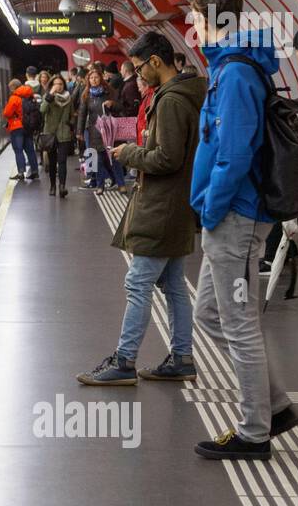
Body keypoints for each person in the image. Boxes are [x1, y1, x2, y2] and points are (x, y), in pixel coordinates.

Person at [187, 0, 298, 460]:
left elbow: (234, 153)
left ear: (212, 19)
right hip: (229, 215)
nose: (190, 25)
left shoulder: (234, 74)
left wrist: (211, 207)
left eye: (193, 16)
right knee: (210, 314)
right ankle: (273, 406)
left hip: (235, 215)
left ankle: (255, 432)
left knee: (238, 324)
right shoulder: (229, 68)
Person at [78, 32, 207, 385]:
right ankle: (182, 356)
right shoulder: (185, 96)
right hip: (177, 204)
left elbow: (167, 158)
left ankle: (124, 361)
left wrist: (129, 153)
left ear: (155, 62)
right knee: (174, 285)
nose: (135, 77)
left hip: (161, 205)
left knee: (138, 283)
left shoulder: (171, 102)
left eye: (138, 69)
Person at [75, 69, 125, 192]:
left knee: (113, 157)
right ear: (88, 80)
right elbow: (82, 114)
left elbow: (120, 107)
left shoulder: (110, 92)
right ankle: (100, 185)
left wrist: (112, 104)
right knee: (98, 160)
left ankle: (121, 184)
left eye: (96, 77)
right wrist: (79, 131)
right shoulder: (86, 95)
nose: (94, 80)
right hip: (94, 131)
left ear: (101, 78)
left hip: (109, 130)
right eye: (91, 78)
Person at [38, 75, 74, 197]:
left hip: (64, 133)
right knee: (52, 162)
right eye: (56, 84)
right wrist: (50, 95)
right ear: (52, 85)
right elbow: (42, 110)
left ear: (64, 85)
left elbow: (72, 114)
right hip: (51, 134)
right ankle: (53, 185)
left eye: (60, 84)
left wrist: (70, 124)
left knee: (62, 161)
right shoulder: (48, 97)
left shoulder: (69, 98)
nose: (58, 86)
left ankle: (62, 186)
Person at [2, 79, 40, 181]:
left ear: (13, 87)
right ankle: (35, 171)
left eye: (10, 88)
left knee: (18, 150)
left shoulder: (14, 98)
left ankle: (20, 172)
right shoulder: (30, 95)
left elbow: (7, 113)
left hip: (16, 127)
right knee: (30, 150)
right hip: (28, 126)